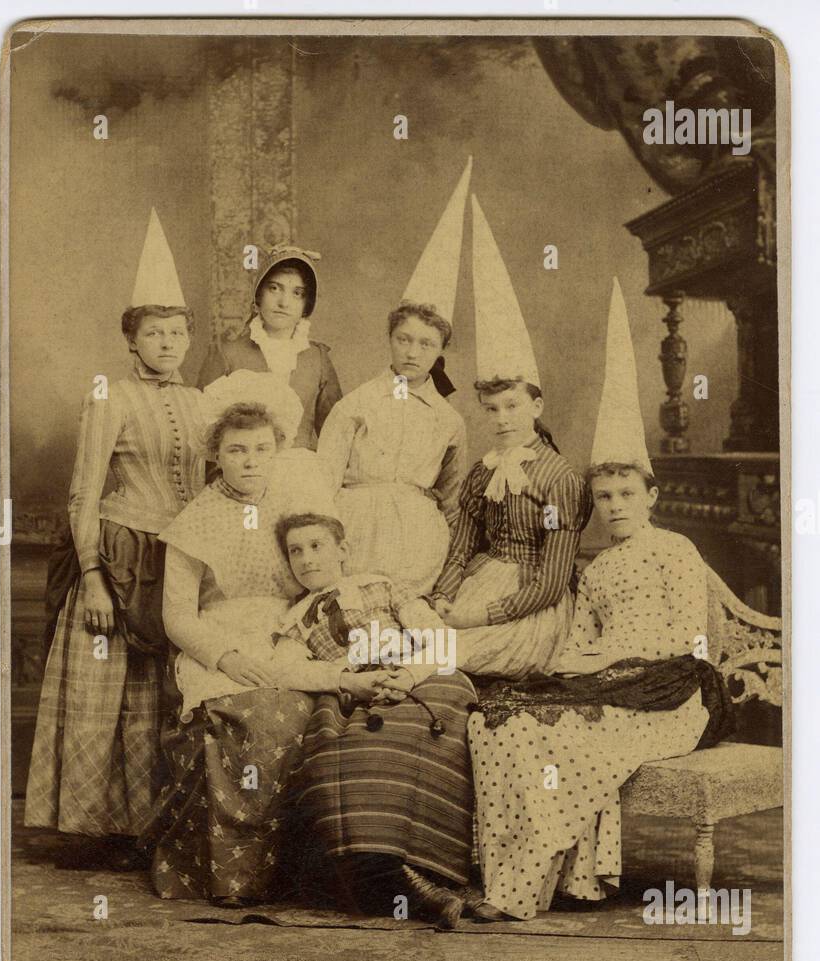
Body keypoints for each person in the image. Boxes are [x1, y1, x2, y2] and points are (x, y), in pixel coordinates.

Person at [465, 280, 734, 921]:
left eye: (625, 495)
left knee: (566, 735)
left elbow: (688, 640)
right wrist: (577, 665)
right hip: (612, 685)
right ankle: (541, 877)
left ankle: (516, 895)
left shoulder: (675, 552)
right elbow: (581, 639)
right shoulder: (598, 567)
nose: (613, 508)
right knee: (501, 720)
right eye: (604, 497)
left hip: (671, 694)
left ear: (651, 497)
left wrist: (605, 661)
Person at [25, 209, 205, 840]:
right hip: (120, 552)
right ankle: (93, 829)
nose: (167, 343)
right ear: (132, 339)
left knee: (164, 697)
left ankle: (155, 829)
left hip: (176, 562)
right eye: (154, 333)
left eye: (177, 333)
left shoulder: (200, 402)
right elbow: (84, 492)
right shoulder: (110, 394)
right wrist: (95, 578)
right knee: (108, 696)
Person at [144, 379, 339, 903]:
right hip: (216, 643)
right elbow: (177, 617)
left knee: (314, 711)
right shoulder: (194, 523)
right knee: (254, 717)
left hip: (291, 634)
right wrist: (227, 657)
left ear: (276, 449)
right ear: (216, 453)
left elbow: (325, 576)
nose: (250, 461)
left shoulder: (294, 509)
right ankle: (238, 874)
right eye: (236, 450)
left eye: (261, 449)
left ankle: (302, 877)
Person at [270, 512, 478, 927]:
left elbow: (439, 640)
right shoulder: (293, 620)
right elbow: (288, 671)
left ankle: (425, 870)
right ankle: (407, 882)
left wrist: (406, 676)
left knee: (414, 731)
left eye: (317, 546)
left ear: (343, 550)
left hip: (419, 677)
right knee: (344, 753)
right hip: (355, 695)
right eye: (296, 551)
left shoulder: (382, 586)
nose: (307, 558)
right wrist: (349, 681)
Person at [430, 193, 590, 678]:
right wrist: (442, 595)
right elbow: (462, 546)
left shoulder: (559, 479)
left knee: (445, 662)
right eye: (492, 409)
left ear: (536, 406)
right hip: (476, 587)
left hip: (529, 607)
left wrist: (477, 615)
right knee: (416, 647)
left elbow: (552, 581)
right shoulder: (484, 471)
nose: (502, 419)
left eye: (513, 406)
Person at [316, 163, 473, 599]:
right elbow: (325, 480)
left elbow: (452, 497)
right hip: (357, 525)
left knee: (405, 622)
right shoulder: (357, 405)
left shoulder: (448, 420)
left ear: (440, 351)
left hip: (420, 536)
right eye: (403, 339)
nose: (412, 351)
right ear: (390, 339)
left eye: (425, 344)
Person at [198, 244, 341, 450]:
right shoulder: (227, 353)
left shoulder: (317, 359)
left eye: (297, 293)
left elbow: (336, 433)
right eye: (274, 288)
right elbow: (202, 430)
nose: (284, 302)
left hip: (300, 471)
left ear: (305, 305)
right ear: (258, 296)